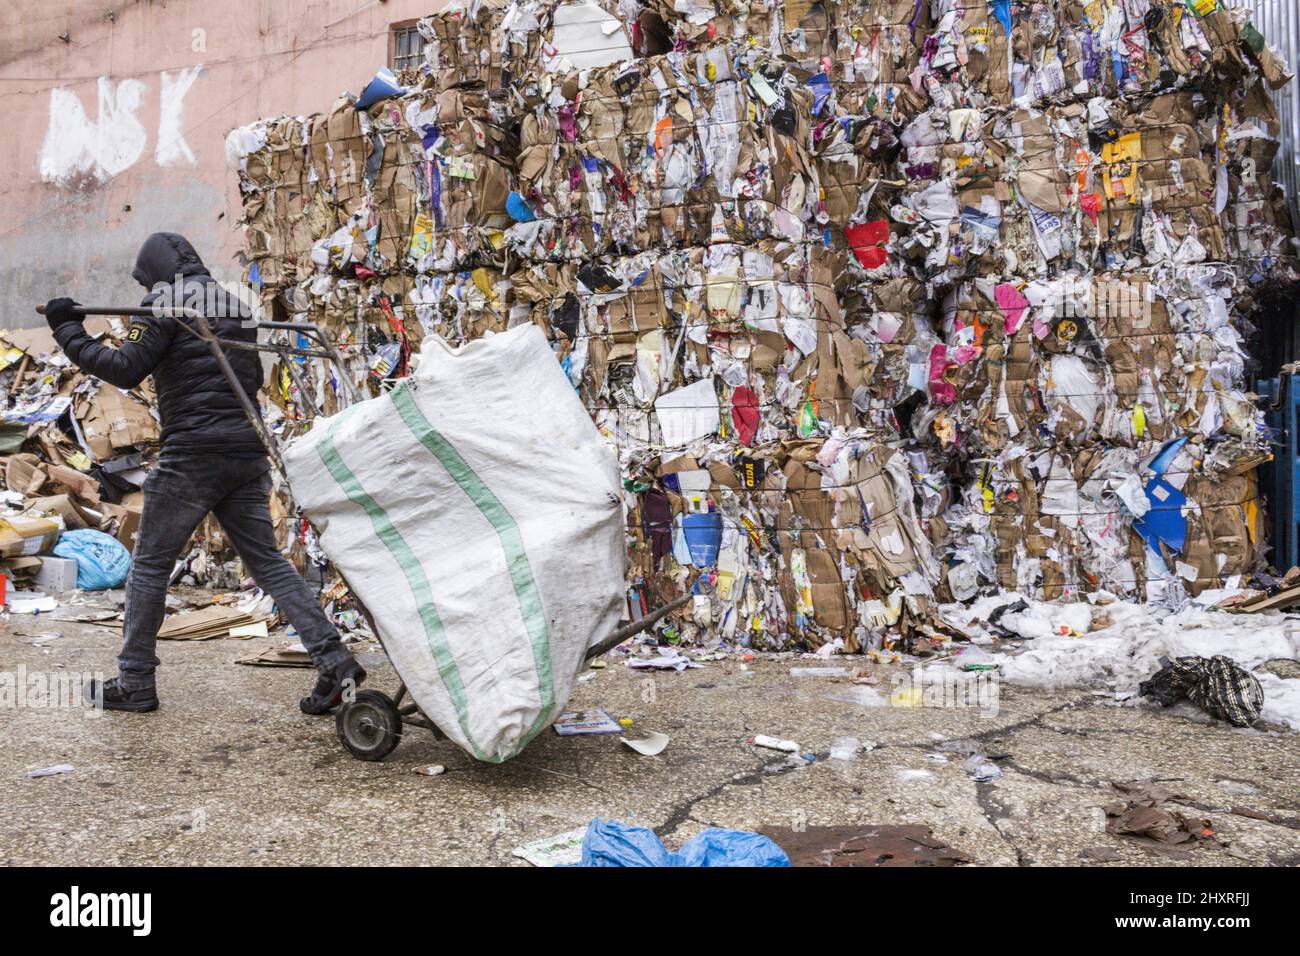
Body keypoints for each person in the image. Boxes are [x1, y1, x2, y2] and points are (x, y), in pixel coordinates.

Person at [44, 232, 365, 715]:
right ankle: (334, 659)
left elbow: (123, 368)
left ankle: (135, 682)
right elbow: (250, 378)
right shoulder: (232, 303)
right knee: (270, 563)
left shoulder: (163, 305)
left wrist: (66, 329)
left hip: (192, 454)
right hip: (245, 451)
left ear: (153, 273)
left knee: (150, 565)